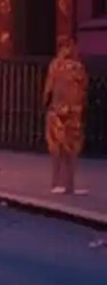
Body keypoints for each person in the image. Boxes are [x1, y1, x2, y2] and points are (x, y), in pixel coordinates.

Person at [45, 36, 88, 195]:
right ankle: (69, 185)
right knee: (72, 149)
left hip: (56, 112)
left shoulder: (55, 65)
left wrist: (47, 104)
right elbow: (84, 88)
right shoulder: (78, 67)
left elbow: (48, 90)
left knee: (56, 148)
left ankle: (56, 183)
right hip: (74, 113)